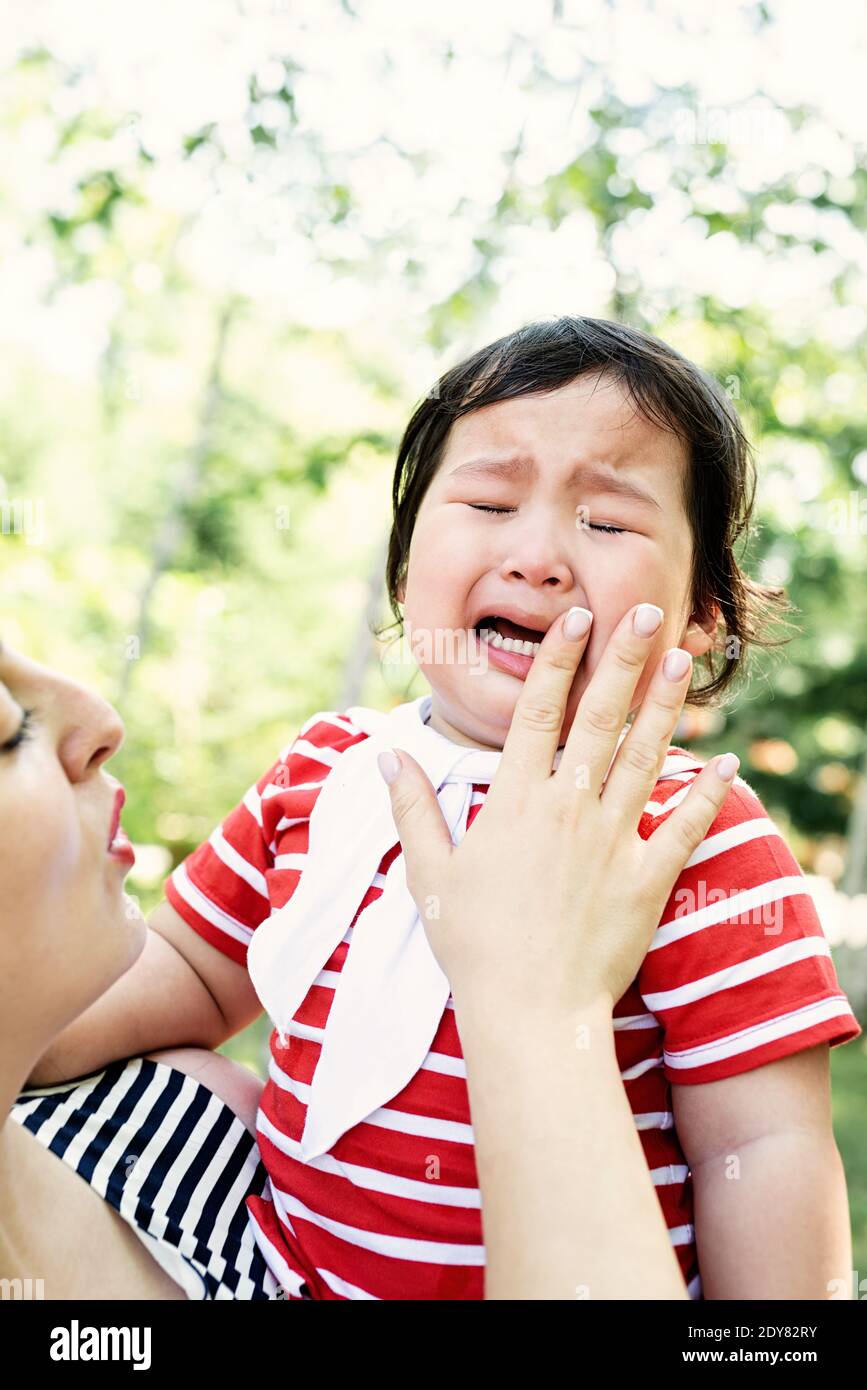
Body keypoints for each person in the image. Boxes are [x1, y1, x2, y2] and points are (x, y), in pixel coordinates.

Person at [7, 316, 861, 1300]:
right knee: (92, 1109)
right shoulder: (327, 767)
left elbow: (759, 1144)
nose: (536, 555)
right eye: (491, 501)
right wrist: (25, 1035)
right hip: (281, 1269)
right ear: (409, 569)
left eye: (611, 522)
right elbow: (195, 972)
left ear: (701, 614)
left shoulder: (693, 831)